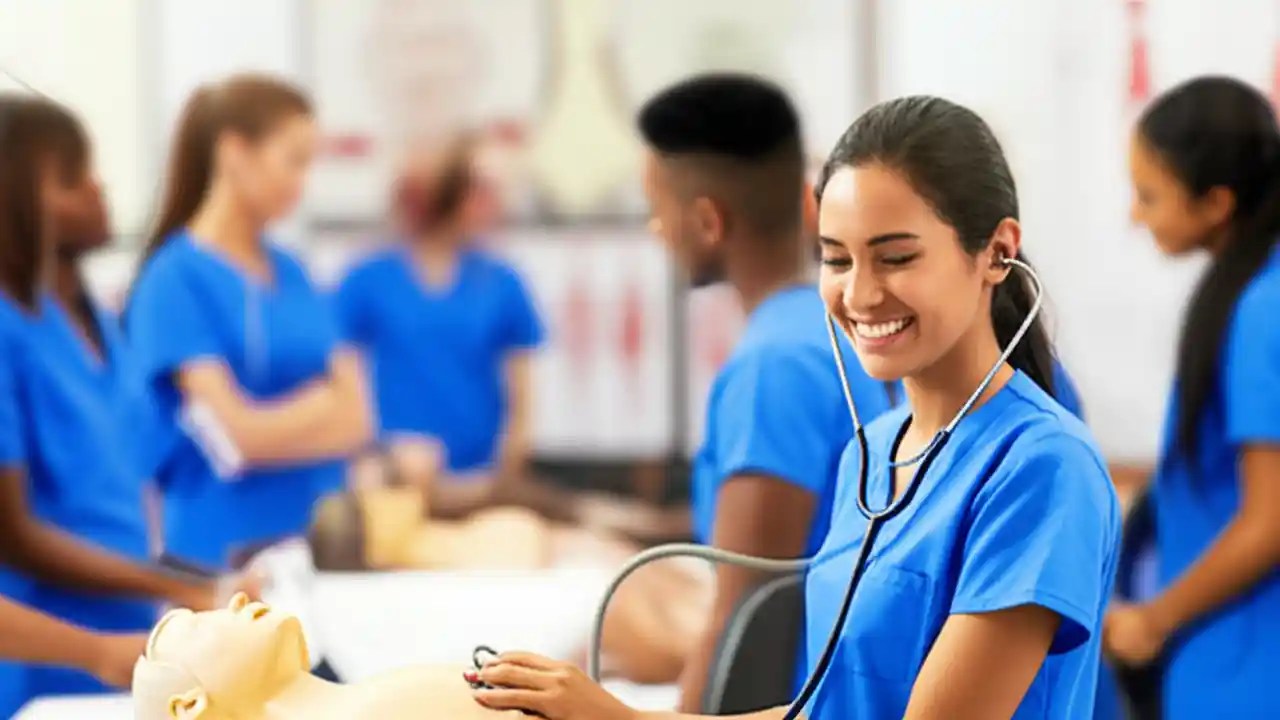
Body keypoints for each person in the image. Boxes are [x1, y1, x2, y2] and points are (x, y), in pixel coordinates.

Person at [468, 96, 1120, 720]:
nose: (860, 294)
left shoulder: (1042, 467)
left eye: (896, 258)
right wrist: (618, 717)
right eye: (836, 259)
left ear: (998, 252)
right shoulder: (872, 453)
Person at [0, 96, 222, 714]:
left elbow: (115, 485)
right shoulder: (8, 331)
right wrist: (175, 587)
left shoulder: (96, 315)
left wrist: (191, 577)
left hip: (127, 641)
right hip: (43, 658)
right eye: (73, 179)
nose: (99, 190)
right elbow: (13, 534)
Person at [126, 74, 373, 573]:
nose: (303, 183)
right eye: (294, 160)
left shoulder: (293, 271)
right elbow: (238, 437)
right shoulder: (174, 279)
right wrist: (322, 404)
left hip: (319, 556)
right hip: (219, 563)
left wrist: (272, 426)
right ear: (234, 153)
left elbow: (360, 418)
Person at [1105, 75, 1280, 719]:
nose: (1135, 214)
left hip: (1247, 674)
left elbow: (1271, 518)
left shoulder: (1264, 308)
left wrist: (1153, 619)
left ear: (1215, 204)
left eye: (1148, 195)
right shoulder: (1248, 290)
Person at [334, 135, 551, 518]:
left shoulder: (501, 283)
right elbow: (341, 387)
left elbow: (523, 402)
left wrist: (501, 480)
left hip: (480, 486)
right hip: (394, 482)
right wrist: (375, 459)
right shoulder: (367, 279)